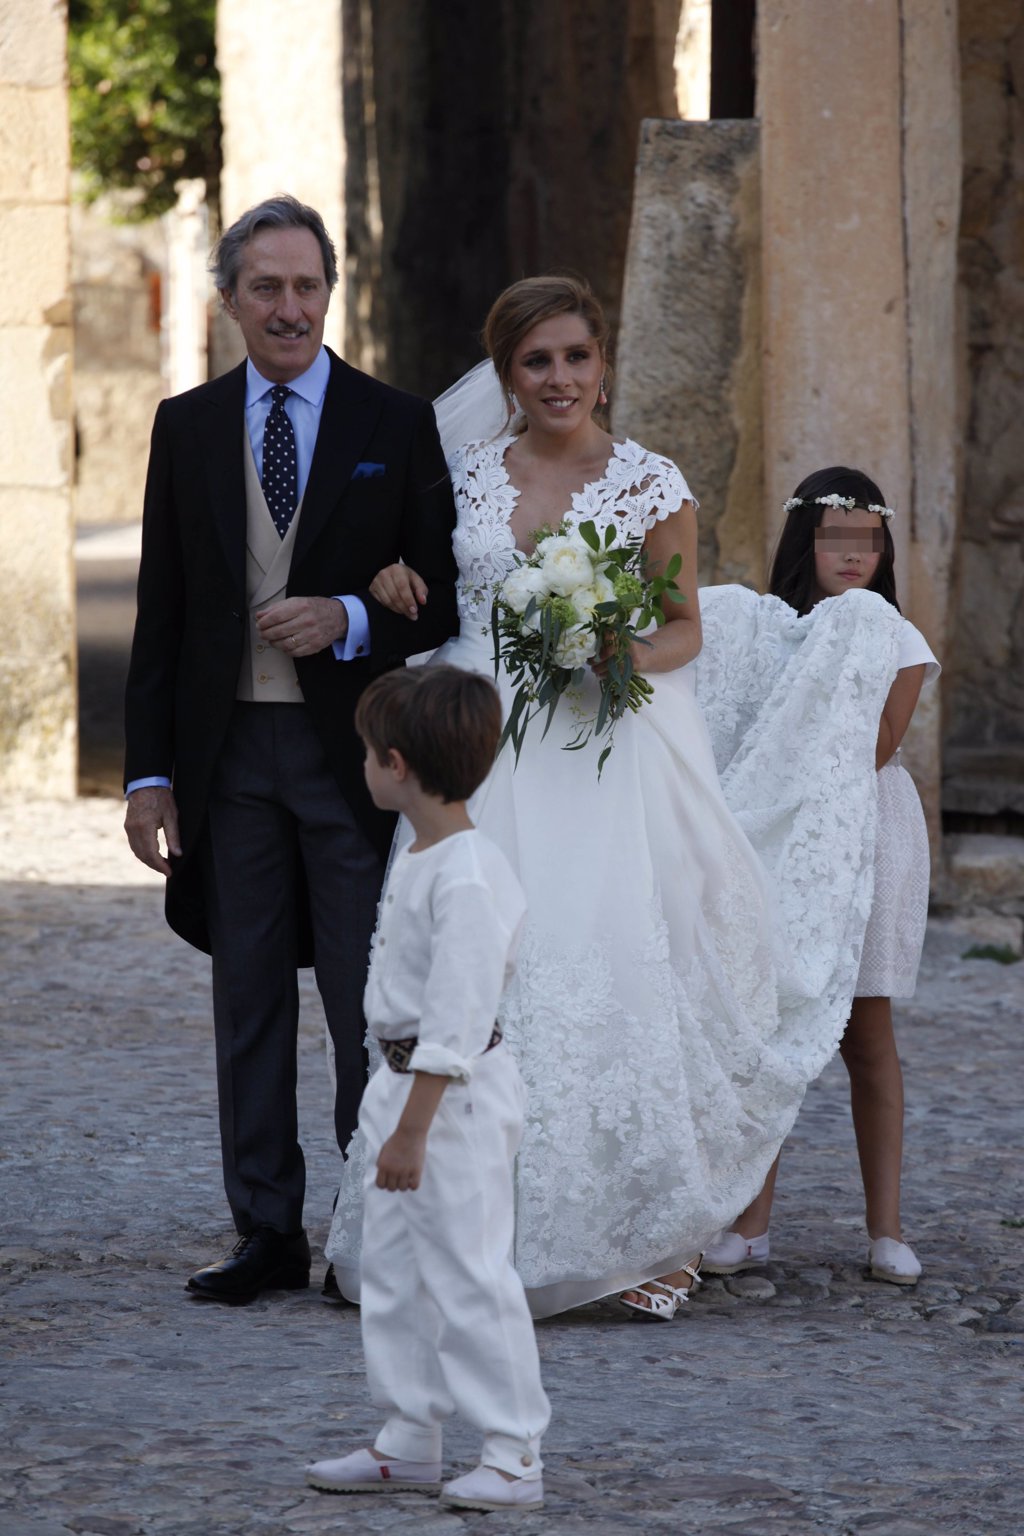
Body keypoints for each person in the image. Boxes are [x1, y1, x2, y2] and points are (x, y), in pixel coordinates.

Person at [327, 275, 850, 1320]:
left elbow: (683, 629)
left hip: (601, 750)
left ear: (602, 363)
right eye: (536, 361)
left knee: (596, 966)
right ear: (507, 375)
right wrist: (389, 581)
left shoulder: (651, 484)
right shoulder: (464, 471)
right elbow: (419, 572)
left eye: (574, 356)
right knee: (478, 969)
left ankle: (631, 1230)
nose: (558, 378)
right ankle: (443, 1216)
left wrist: (609, 646)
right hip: (476, 748)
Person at [123, 194, 458, 1303]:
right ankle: (263, 1229)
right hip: (228, 765)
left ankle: (370, 1225)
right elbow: (162, 611)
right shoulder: (188, 425)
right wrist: (150, 772)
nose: (289, 307)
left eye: (306, 285)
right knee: (250, 999)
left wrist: (348, 620)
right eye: (265, 287)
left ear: (330, 291)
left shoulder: (394, 421)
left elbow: (441, 595)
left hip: (356, 757)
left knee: (368, 1000)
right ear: (229, 303)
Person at [306, 666, 549, 1513]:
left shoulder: (470, 875)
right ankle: (410, 1435)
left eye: (369, 754)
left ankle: (514, 1453)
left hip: (452, 1101)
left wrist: (413, 1129)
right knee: (397, 1267)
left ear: (398, 764)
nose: (363, 765)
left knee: (469, 1270)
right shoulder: (423, 851)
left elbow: (457, 1015)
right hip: (400, 1085)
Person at [702, 468, 939, 1286]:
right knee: (769, 1027)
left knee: (866, 1038)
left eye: (868, 539)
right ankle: (751, 1223)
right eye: (835, 536)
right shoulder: (773, 631)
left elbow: (870, 747)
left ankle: (886, 1228)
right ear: (805, 540)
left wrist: (849, 639)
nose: (852, 555)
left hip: (865, 831)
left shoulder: (894, 638)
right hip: (783, 835)